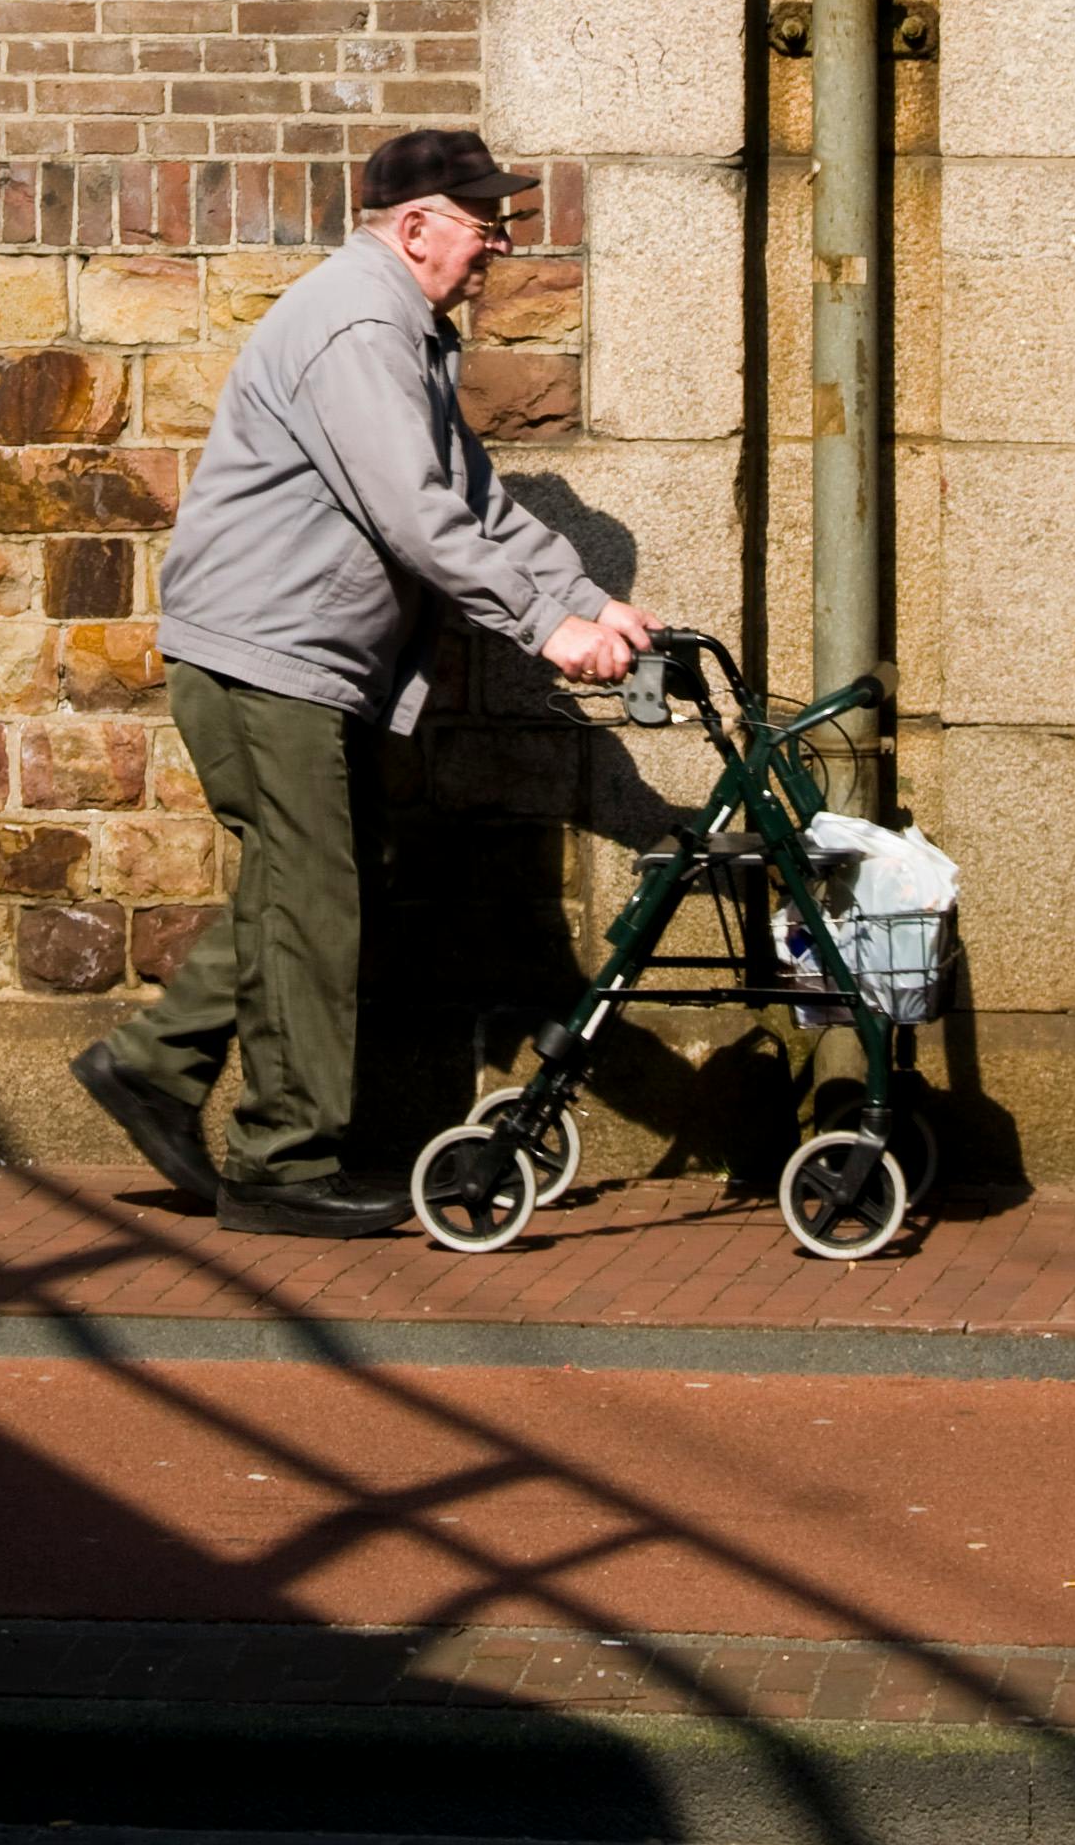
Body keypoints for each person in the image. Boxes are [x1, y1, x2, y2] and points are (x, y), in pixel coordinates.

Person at [72, 128, 660, 1237]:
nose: (493, 253)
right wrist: (548, 629)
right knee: (315, 898)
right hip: (265, 656)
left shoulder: (401, 330)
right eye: (484, 230)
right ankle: (280, 1163)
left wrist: (587, 601)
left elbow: (475, 499)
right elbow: (414, 511)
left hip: (293, 658)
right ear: (416, 226)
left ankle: (154, 1065)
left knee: (302, 887)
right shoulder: (356, 325)